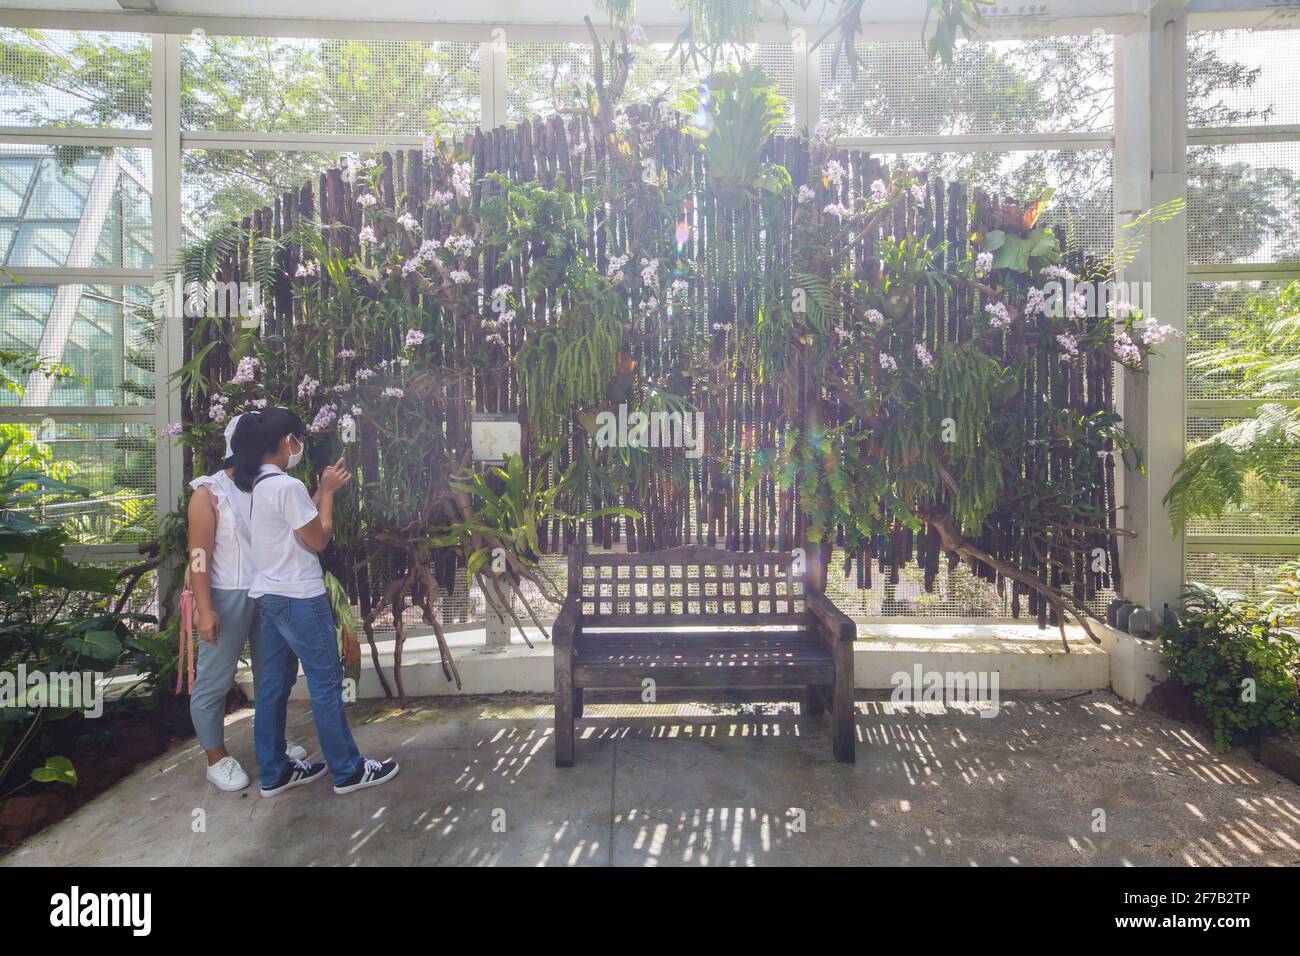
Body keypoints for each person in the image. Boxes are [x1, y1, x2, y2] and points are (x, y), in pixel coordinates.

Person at [229, 408, 398, 797]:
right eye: (298, 439)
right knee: (326, 683)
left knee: (272, 686)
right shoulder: (284, 487)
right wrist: (330, 496)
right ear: (288, 441)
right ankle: (347, 770)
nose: (299, 446)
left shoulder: (257, 486)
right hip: (300, 598)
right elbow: (317, 538)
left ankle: (274, 771)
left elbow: (297, 520)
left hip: (268, 596)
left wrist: (322, 487)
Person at [186, 414, 307, 792]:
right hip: (226, 595)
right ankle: (215, 757)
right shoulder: (209, 492)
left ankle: (272, 740)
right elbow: (198, 556)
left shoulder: (269, 486)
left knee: (272, 675)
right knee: (215, 679)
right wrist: (205, 610)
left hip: (269, 591)